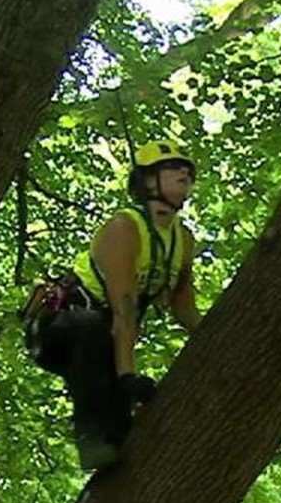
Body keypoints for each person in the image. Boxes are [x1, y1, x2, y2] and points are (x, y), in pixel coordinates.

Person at [31, 140, 201, 470]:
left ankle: (114, 459)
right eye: (173, 168)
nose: (185, 175)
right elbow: (124, 308)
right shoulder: (125, 228)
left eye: (188, 172)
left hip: (108, 339)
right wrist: (127, 376)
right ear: (148, 180)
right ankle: (90, 437)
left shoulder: (183, 239)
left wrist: (212, 336)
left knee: (122, 437)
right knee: (94, 332)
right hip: (62, 329)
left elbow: (183, 307)